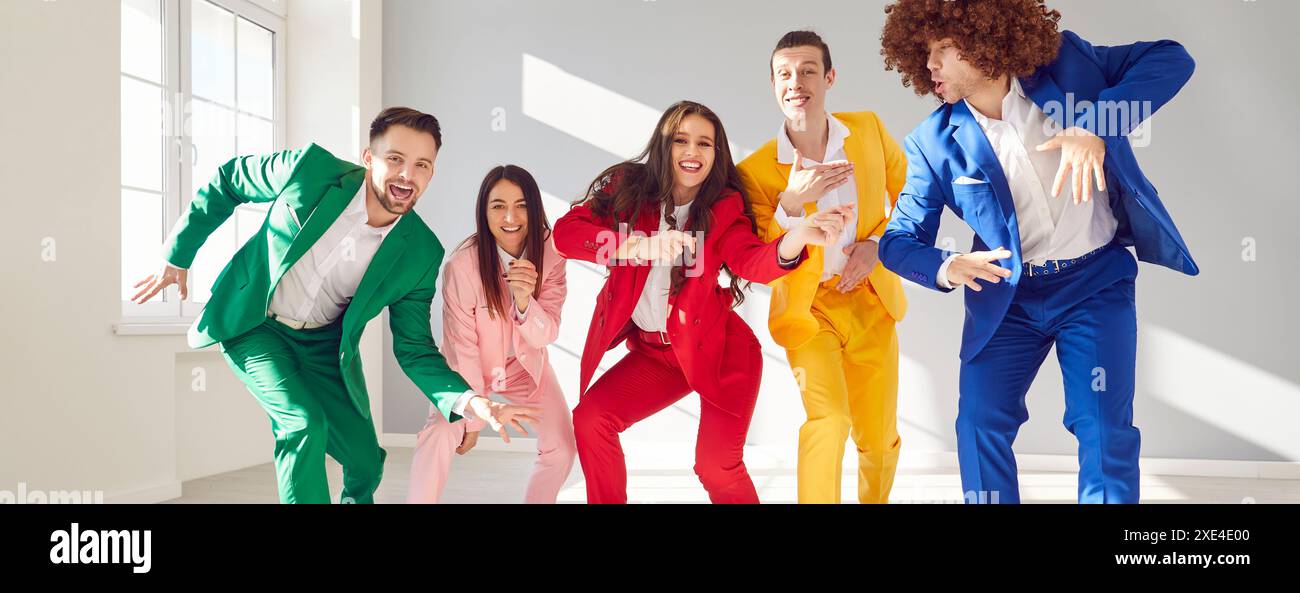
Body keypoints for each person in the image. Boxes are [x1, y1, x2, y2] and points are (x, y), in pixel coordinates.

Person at [130, 107, 540, 503]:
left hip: (324, 346)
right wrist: (178, 255)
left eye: (422, 165)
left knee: (366, 463)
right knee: (303, 424)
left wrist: (471, 401)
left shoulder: (421, 252)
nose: (407, 175)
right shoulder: (310, 171)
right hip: (256, 324)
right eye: (395, 159)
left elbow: (414, 349)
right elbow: (228, 182)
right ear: (368, 158)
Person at [877, 0, 1197, 503]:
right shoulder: (931, 144)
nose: (930, 65)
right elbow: (897, 242)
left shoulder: (1069, 65)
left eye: (942, 49)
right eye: (924, 53)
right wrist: (946, 265)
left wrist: (1097, 127)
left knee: (1102, 428)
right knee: (978, 425)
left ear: (984, 40)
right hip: (1008, 300)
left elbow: (1173, 59)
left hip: (1094, 284)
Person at [552, 100, 854, 504]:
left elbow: (752, 261)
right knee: (591, 419)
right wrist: (635, 246)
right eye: (681, 140)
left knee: (715, 466)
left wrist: (798, 237)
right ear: (664, 145)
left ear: (717, 154)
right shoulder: (626, 187)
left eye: (705, 143)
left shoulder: (722, 206)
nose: (692, 152)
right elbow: (566, 235)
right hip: (655, 356)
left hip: (722, 353)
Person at [738, 30, 909, 504]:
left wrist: (876, 242)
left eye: (809, 70)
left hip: (872, 301)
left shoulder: (869, 131)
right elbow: (755, 257)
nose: (797, 82)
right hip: (810, 312)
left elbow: (914, 197)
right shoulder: (754, 171)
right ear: (773, 84)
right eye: (785, 74)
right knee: (829, 419)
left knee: (877, 439)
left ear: (830, 77)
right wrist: (792, 202)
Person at [407, 165, 575, 503]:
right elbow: (462, 348)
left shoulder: (552, 253)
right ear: (484, 212)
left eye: (522, 204)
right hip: (470, 367)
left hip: (524, 367)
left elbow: (546, 335)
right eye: (498, 205)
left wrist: (525, 300)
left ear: (535, 207)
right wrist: (472, 420)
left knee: (562, 446)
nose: (510, 216)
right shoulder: (462, 266)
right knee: (440, 433)